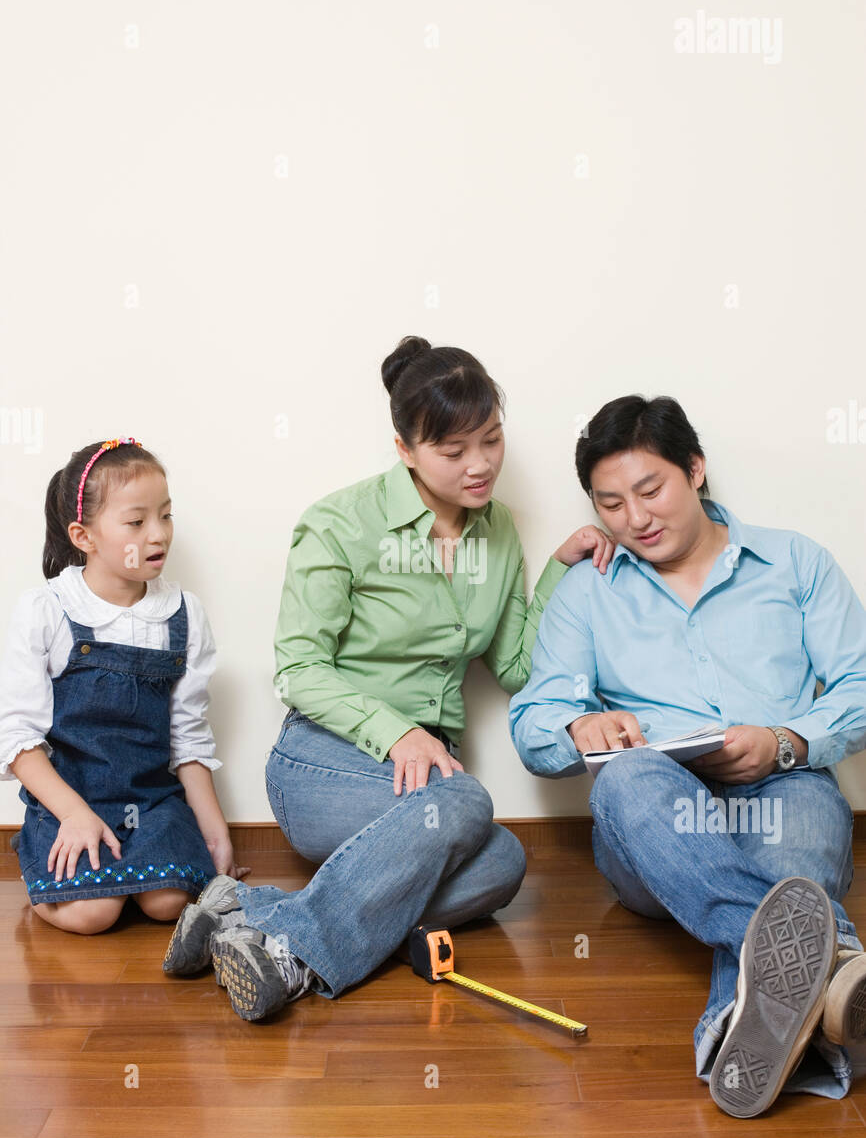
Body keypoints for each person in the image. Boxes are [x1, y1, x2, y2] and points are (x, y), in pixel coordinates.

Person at [164, 335, 613, 1019]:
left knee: (504, 864)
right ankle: (293, 957)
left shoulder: (498, 535)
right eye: (454, 451)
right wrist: (396, 731)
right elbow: (299, 668)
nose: (481, 465)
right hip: (324, 762)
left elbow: (517, 666)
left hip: (423, 784)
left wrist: (557, 567)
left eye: (491, 441)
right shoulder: (340, 524)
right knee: (467, 803)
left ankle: (247, 913)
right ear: (405, 448)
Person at [508, 394, 866, 1118]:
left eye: (651, 489)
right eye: (611, 503)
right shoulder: (588, 592)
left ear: (695, 470)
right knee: (631, 778)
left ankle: (740, 1029)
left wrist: (786, 742)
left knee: (797, 820)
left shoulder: (794, 563)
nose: (636, 518)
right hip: (657, 826)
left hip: (782, 789)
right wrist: (580, 730)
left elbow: (860, 684)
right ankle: (834, 969)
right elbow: (533, 721)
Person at [0, 436, 246, 935]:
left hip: (151, 802)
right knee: (95, 915)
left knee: (168, 903)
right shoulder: (46, 609)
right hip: (69, 799)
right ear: (83, 536)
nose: (158, 535)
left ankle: (127, 872)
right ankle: (54, 876)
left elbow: (188, 739)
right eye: (136, 522)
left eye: (167, 515)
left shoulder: (184, 614)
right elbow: (17, 737)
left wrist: (214, 828)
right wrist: (72, 814)